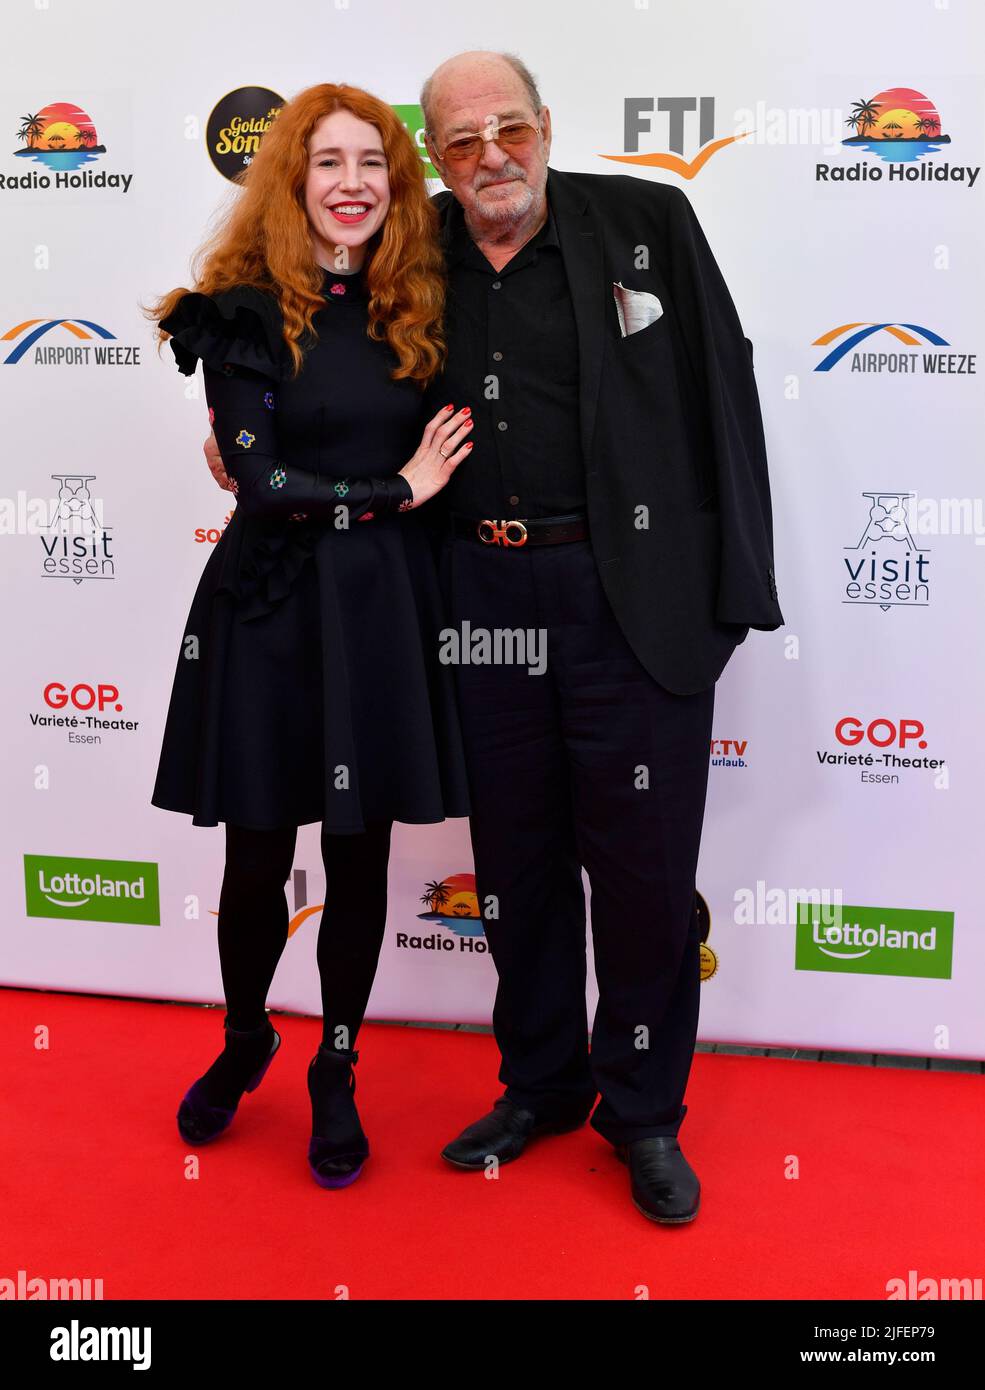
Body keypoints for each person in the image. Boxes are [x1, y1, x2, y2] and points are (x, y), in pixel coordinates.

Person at [204, 51, 784, 1224]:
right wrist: (232, 438)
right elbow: (303, 337)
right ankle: (541, 1084)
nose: (489, 158)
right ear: (437, 157)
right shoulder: (413, 247)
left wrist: (732, 596)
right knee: (515, 866)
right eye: (458, 142)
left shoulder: (643, 221)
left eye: (505, 130)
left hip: (633, 597)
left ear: (543, 125)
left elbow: (724, 391)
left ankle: (642, 1112)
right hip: (476, 600)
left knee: (640, 874)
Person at [147, 82, 473, 1189]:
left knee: (360, 849)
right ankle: (246, 1037)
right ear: (291, 181)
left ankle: (337, 1062)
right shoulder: (240, 307)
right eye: (327, 162)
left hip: (382, 608)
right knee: (256, 851)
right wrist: (398, 486)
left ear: (398, 183)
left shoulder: (422, 305)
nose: (351, 184)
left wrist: (409, 497)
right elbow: (262, 478)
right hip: (273, 604)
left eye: (372, 163)